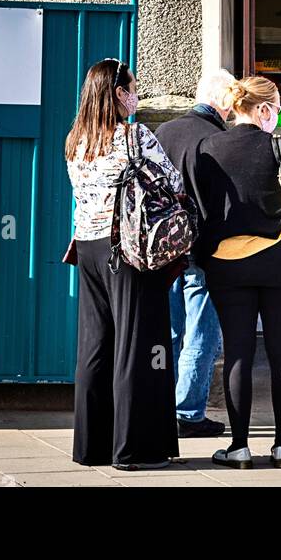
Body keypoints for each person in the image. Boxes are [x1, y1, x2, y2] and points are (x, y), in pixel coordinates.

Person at [191, 76, 281, 469]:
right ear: (265, 110)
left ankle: (238, 447)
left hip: (227, 265)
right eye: (279, 109)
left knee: (238, 352)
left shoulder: (208, 149)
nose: (279, 116)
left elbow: (201, 211)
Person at [64, 58, 180, 470]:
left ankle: (90, 447)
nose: (137, 94)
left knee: (94, 346)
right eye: (133, 87)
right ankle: (134, 450)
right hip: (127, 249)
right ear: (117, 93)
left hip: (88, 247)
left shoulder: (76, 140)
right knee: (136, 345)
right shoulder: (135, 136)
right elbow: (172, 182)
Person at [153, 68, 236, 438]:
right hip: (201, 254)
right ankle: (187, 413)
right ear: (223, 101)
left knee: (170, 332)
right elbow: (220, 207)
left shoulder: (163, 132)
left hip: (162, 251)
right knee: (201, 334)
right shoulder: (218, 139)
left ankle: (158, 406)